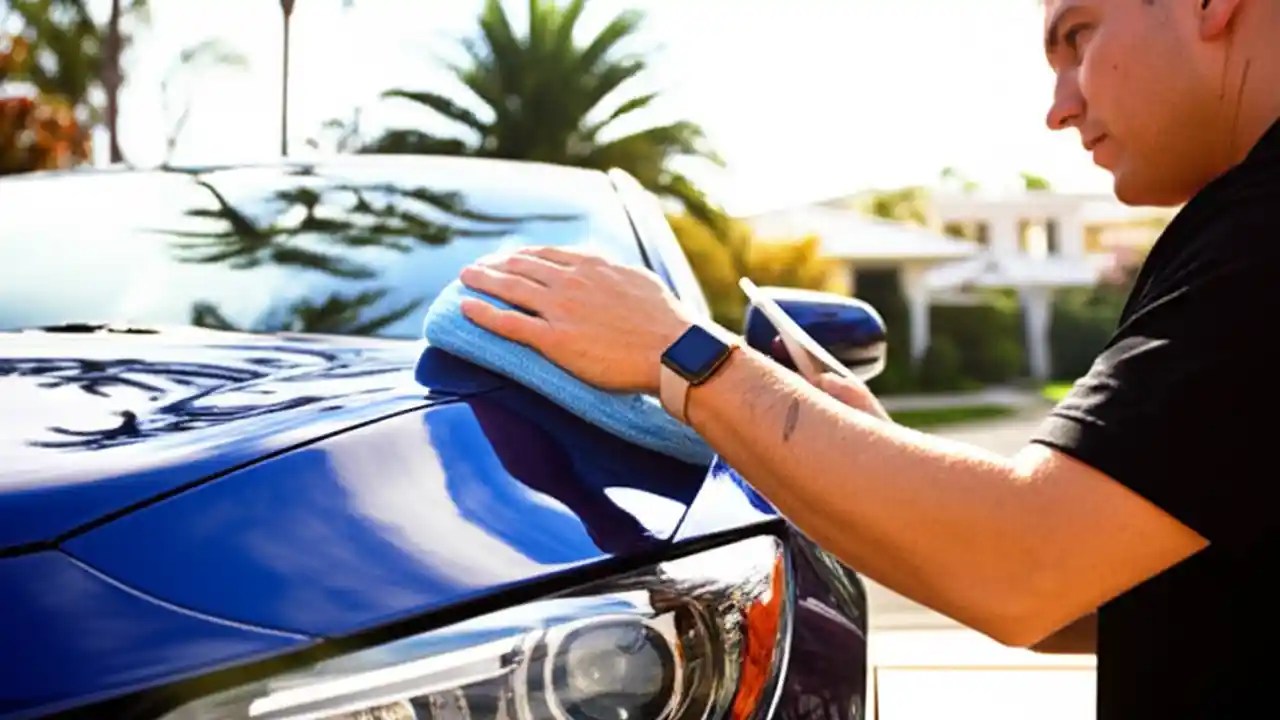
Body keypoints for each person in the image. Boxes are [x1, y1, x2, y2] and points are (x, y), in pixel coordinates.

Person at [456, 1, 1280, 717]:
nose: (1060, 108)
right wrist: (867, 459)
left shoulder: (1260, 235)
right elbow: (1101, 597)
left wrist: (680, 353)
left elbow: (1030, 570)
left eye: (1078, 37)